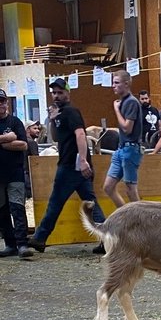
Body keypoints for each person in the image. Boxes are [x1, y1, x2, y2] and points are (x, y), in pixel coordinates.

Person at [27, 78, 106, 253]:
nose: (56, 96)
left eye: (60, 92)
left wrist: (84, 160)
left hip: (71, 166)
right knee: (91, 204)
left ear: (68, 93)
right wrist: (52, 119)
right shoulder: (60, 114)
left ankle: (40, 237)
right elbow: (56, 138)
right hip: (75, 166)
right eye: (54, 93)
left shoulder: (71, 112)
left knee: (55, 203)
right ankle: (108, 240)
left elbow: (80, 135)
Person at [102, 70, 145, 208]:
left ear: (126, 84)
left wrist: (116, 110)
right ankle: (125, 216)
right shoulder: (123, 102)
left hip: (130, 149)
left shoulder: (131, 102)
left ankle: (140, 222)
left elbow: (127, 128)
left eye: (116, 83)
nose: (113, 86)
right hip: (121, 149)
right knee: (108, 187)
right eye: (113, 83)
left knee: (131, 189)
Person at [0, 89, 32, 258]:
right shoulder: (10, 129)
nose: (1, 104)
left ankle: (22, 245)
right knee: (2, 211)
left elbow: (23, 145)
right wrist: (6, 138)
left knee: (17, 208)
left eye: (3, 101)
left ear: (6, 103)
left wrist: (5, 145)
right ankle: (10, 244)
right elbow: (14, 140)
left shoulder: (15, 122)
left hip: (15, 173)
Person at [23, 119, 40, 197]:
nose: (38, 130)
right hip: (28, 176)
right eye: (35, 128)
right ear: (28, 130)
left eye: (38, 128)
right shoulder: (31, 142)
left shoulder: (23, 141)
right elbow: (36, 161)